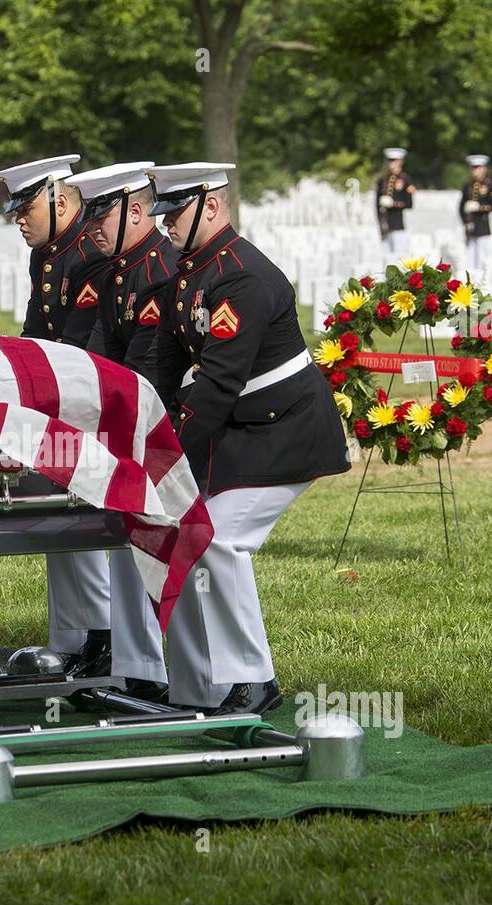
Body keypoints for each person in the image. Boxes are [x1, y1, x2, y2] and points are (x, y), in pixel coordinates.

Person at [149, 163, 350, 714]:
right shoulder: (187, 274)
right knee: (184, 537)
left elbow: (217, 383)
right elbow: (166, 371)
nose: (165, 225)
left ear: (211, 207)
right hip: (239, 432)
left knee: (217, 539)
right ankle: (198, 687)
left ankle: (254, 680)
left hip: (285, 432)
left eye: (176, 213)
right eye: (162, 213)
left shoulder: (243, 276)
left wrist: (168, 456)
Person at [0, 154, 114, 672]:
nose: (19, 218)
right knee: (61, 522)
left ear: (60, 202)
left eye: (27, 208)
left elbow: (85, 347)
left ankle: (102, 637)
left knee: (81, 521)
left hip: (88, 399)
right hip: (60, 400)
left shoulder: (86, 253)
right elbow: (38, 332)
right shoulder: (48, 252)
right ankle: (74, 636)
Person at [65, 161, 176, 698]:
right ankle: (138, 670)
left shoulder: (159, 269)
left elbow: (146, 369)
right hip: (128, 425)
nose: (91, 228)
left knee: (148, 544)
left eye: (101, 215)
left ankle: (155, 668)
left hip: (164, 429)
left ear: (135, 211)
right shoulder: (116, 271)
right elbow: (100, 355)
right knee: (123, 541)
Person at [458, 154, 492, 274]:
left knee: (482, 254)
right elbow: (461, 207)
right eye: (473, 168)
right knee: (470, 254)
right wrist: (465, 222)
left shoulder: (490, 186)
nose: (475, 171)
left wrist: (479, 208)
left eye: (477, 167)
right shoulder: (467, 186)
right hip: (470, 225)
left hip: (482, 224)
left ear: (484, 169)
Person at [376, 147, 415, 258]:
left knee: (399, 256)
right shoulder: (382, 180)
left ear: (400, 162)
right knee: (385, 257)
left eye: (394, 160)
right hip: (384, 224)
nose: (391, 163)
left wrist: (393, 204)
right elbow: (376, 205)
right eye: (389, 160)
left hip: (398, 224)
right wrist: (380, 222)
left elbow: (409, 203)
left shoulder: (406, 179)